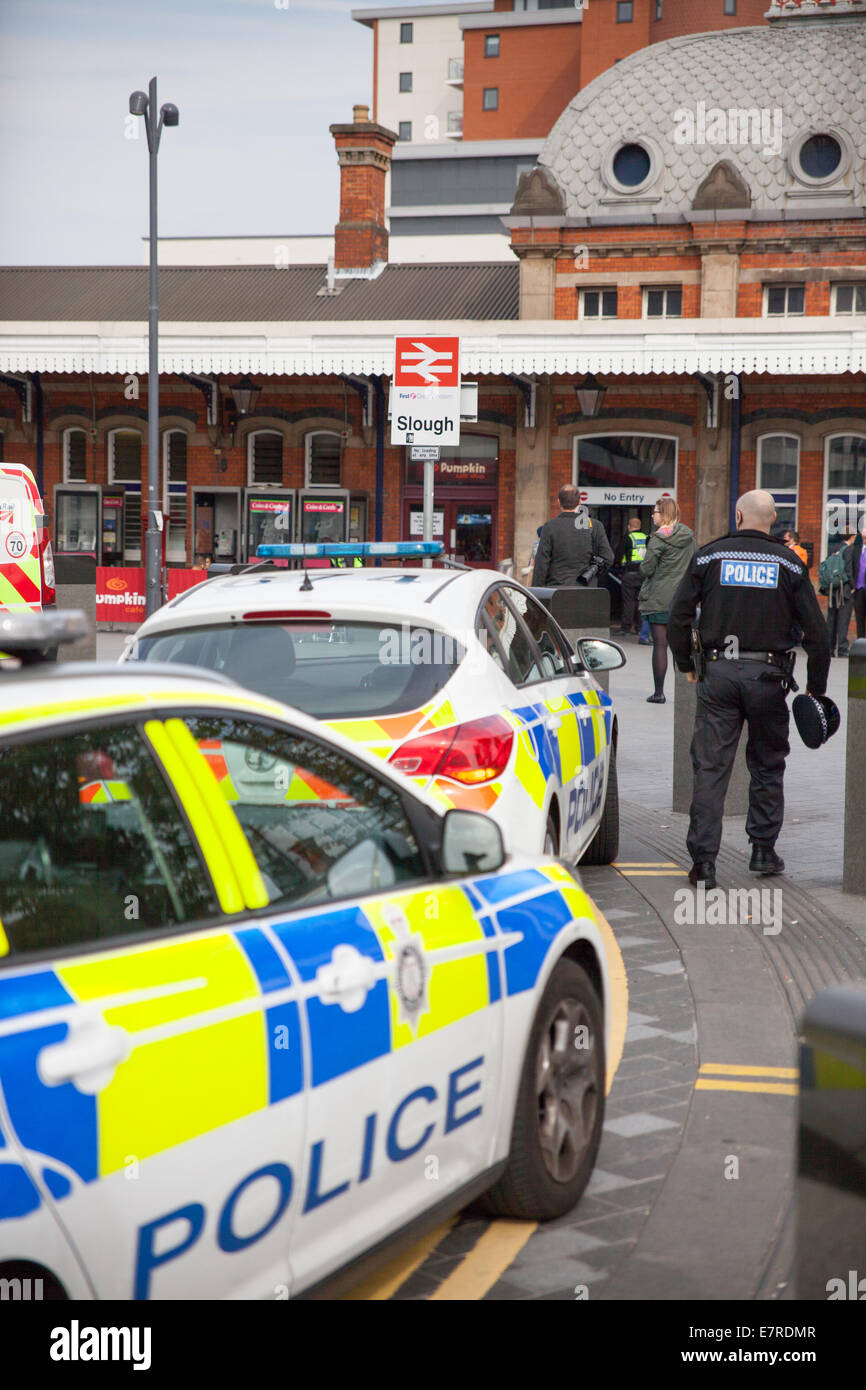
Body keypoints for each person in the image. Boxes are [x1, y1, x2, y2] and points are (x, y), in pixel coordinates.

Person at [668, 488, 830, 890]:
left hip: (718, 676)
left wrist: (688, 665)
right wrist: (816, 692)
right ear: (771, 520)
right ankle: (762, 850)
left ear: (738, 516)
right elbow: (818, 635)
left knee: (710, 768)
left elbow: (677, 618)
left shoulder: (708, 556)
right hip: (769, 679)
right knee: (767, 764)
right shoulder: (789, 563)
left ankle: (703, 862)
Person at [638, 498, 696, 703]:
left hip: (659, 597)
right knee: (683, 645)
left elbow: (646, 569)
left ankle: (658, 693)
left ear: (664, 514)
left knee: (660, 644)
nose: (652, 515)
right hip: (682, 597)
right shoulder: (688, 536)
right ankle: (686, 694)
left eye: (655, 512)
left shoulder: (658, 539)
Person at [532, 484, 614, 588]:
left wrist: (536, 592)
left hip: (557, 591)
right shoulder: (595, 526)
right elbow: (608, 558)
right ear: (580, 501)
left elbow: (541, 565)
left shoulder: (550, 527)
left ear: (558, 502)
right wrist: (591, 574)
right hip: (586, 592)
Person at [822, 531, 856, 657]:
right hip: (844, 590)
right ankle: (842, 648)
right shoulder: (849, 550)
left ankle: (829, 648)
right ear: (852, 536)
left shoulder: (833, 548)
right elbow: (848, 569)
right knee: (843, 620)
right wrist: (853, 586)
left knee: (831, 619)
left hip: (833, 589)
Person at [613, 516, 648, 635]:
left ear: (629, 526)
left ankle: (625, 628)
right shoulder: (646, 538)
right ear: (640, 526)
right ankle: (640, 627)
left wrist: (618, 565)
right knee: (641, 601)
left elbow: (618, 556)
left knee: (629, 602)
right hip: (644, 574)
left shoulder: (628, 538)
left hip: (630, 574)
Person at [854, 517, 866, 641]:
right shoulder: (856, 550)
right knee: (859, 617)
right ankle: (860, 641)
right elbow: (852, 568)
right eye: (863, 533)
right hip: (858, 589)